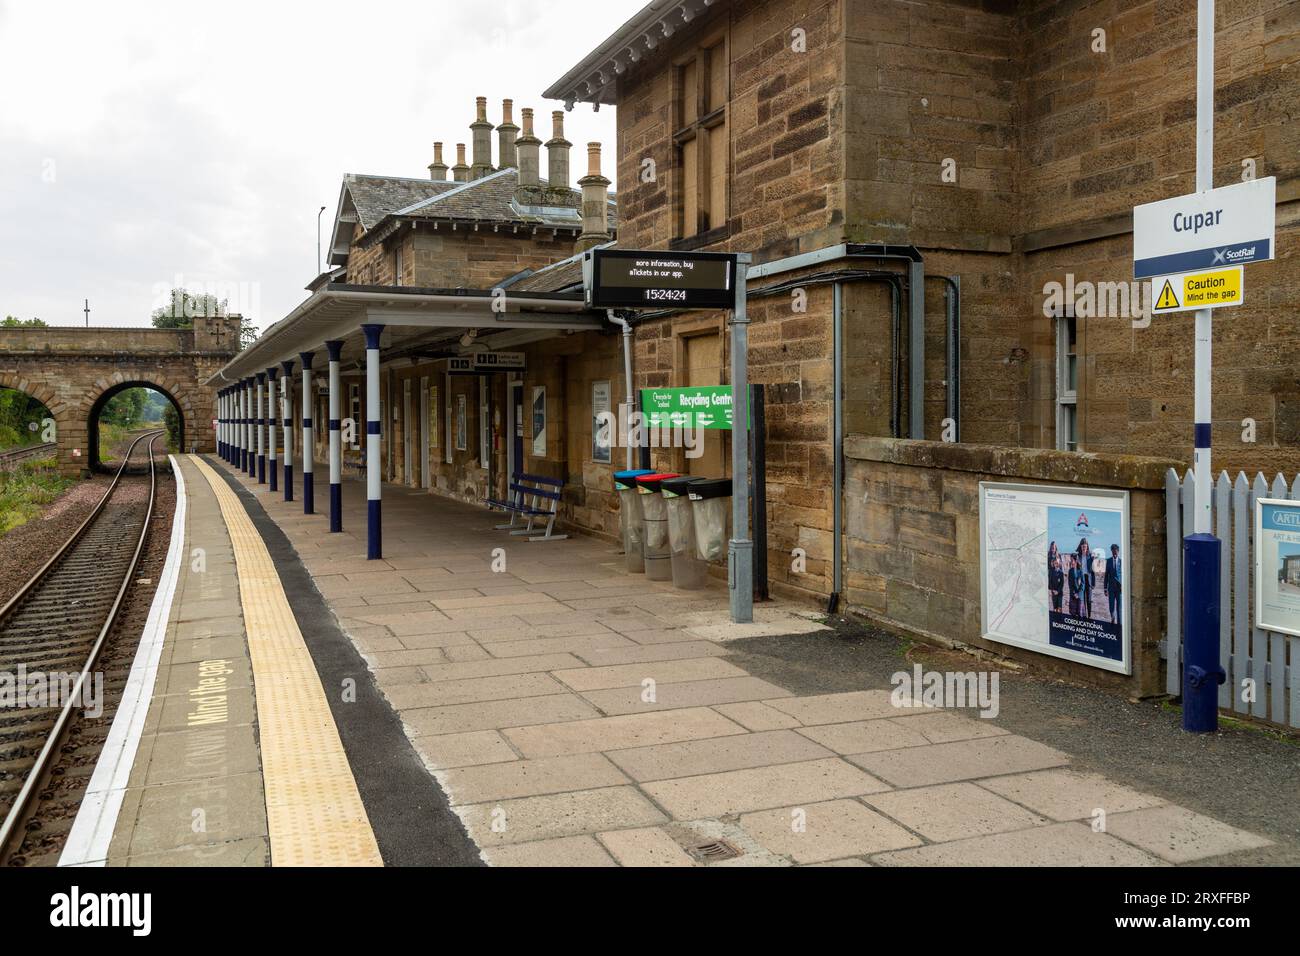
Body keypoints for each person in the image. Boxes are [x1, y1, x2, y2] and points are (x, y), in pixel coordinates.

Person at [1075, 538, 1095, 618]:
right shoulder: (1078, 556)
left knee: (1089, 599)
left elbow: (1092, 571)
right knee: (1082, 599)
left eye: (1085, 546)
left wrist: (1093, 583)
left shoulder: (1090, 556)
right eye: (1083, 546)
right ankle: (1084, 615)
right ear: (1080, 547)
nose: (1084, 548)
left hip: (1088, 579)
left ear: (1087, 547)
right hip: (1081, 579)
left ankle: (1089, 616)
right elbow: (1076, 569)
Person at [1104, 544, 1122, 623]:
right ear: (1111, 552)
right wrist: (1105, 588)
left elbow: (1124, 575)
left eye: (1116, 552)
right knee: (1111, 606)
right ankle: (1112, 617)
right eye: (1113, 552)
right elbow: (1106, 575)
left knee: (1119, 607)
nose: (1114, 554)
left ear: (1118, 552)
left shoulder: (1121, 562)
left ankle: (1119, 624)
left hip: (1119, 589)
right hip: (1111, 588)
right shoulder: (1108, 561)